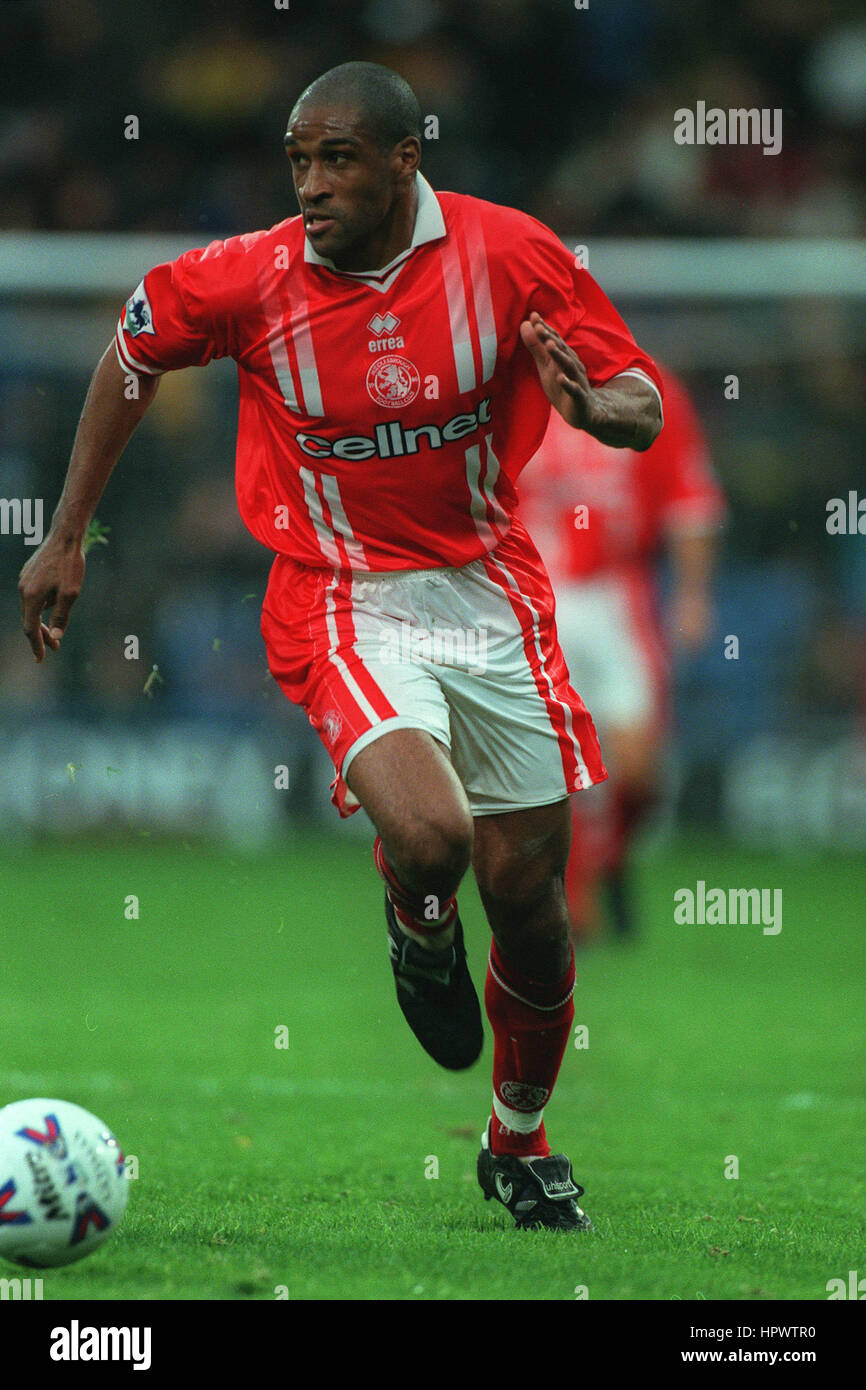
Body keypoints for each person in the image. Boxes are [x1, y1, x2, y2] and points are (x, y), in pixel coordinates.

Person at [18, 62, 662, 1231]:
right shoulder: (251, 276)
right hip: (336, 591)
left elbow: (639, 401)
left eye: (337, 161)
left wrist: (596, 410)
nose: (309, 185)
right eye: (296, 161)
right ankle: (413, 912)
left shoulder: (509, 252)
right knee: (431, 836)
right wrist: (69, 536)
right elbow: (131, 355)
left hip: (489, 593)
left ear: (404, 160)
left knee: (530, 900)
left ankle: (516, 1139)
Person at [518, 365, 725, 938]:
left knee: (638, 773)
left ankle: (606, 856)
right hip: (529, 597)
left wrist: (692, 594)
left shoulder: (650, 388)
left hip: (618, 598)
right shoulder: (505, 381)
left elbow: (691, 498)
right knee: (548, 766)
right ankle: (572, 903)